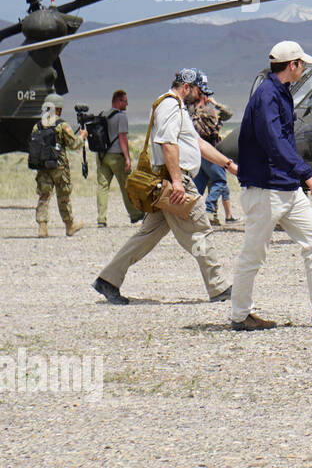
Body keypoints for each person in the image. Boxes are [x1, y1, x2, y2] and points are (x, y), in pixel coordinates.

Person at [230, 41, 312, 330]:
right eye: (302, 64)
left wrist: (296, 176)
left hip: (286, 187)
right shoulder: (267, 96)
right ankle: (240, 315)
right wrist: (306, 173)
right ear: (293, 66)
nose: (304, 69)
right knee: (254, 253)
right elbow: (274, 141)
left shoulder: (280, 93)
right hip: (266, 189)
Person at [93, 69, 234, 305]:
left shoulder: (178, 108)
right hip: (175, 182)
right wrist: (178, 183)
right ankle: (219, 288)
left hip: (170, 182)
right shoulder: (169, 105)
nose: (201, 97)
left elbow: (196, 143)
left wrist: (229, 164)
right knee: (200, 231)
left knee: (146, 236)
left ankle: (108, 280)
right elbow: (168, 143)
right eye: (199, 91)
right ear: (187, 86)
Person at [30, 94, 86, 237]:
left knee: (44, 195)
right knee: (63, 196)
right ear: (58, 109)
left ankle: (42, 227)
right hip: (59, 166)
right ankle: (69, 225)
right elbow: (74, 145)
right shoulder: (62, 125)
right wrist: (82, 136)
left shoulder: (37, 126)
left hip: (42, 166)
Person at [190, 74, 237, 226]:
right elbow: (229, 114)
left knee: (199, 184)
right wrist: (215, 104)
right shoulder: (210, 112)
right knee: (220, 181)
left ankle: (190, 211)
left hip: (198, 153)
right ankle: (209, 210)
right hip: (212, 151)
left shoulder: (190, 114)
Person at [94, 89, 143, 227]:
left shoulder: (103, 115)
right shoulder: (121, 117)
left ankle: (101, 219)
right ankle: (135, 214)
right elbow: (122, 138)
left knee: (102, 187)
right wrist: (127, 158)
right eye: (125, 101)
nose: (127, 104)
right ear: (118, 101)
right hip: (116, 156)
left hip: (102, 156)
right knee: (126, 185)